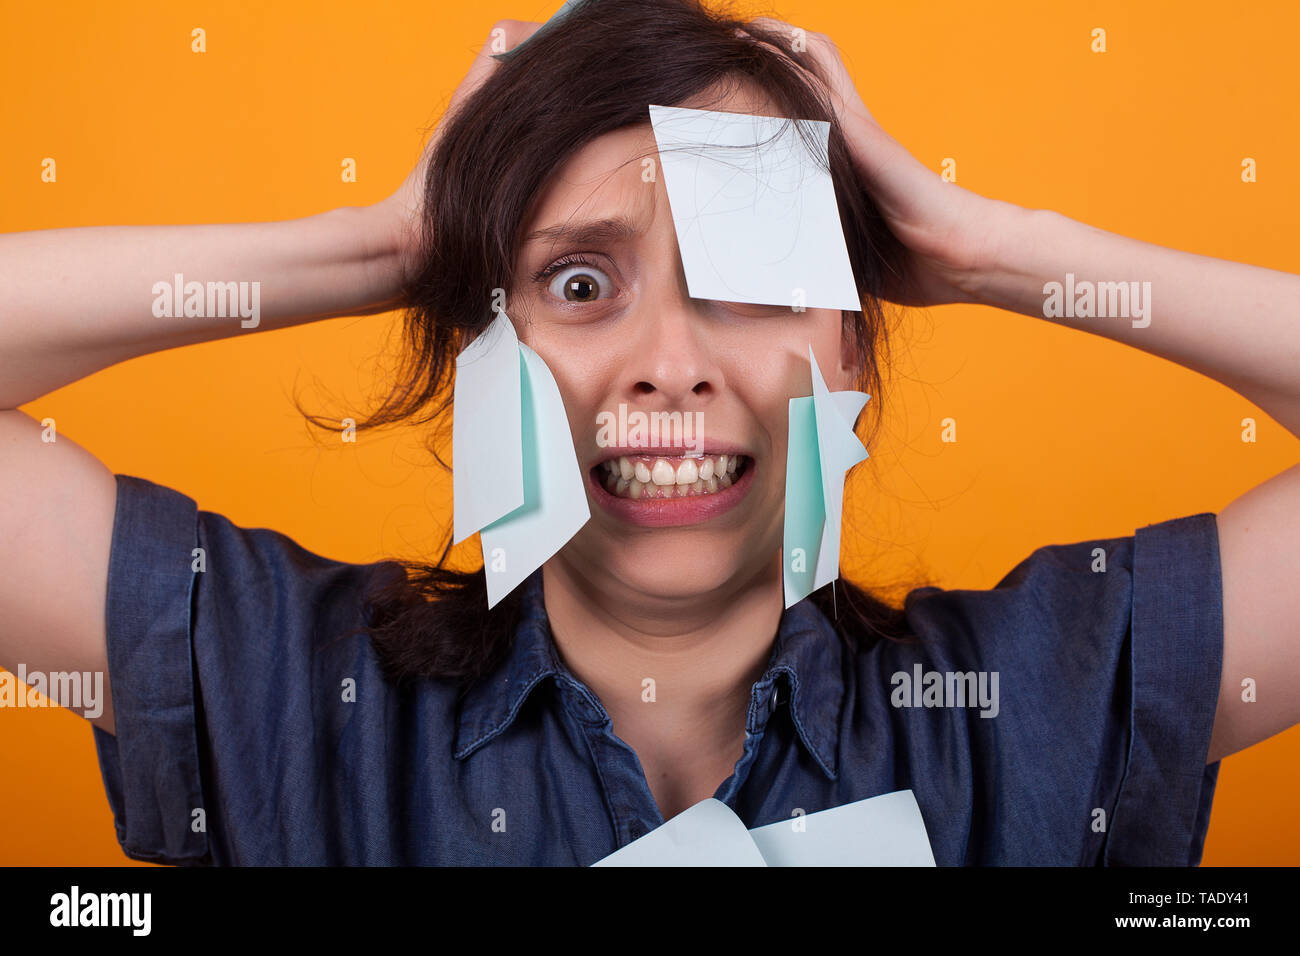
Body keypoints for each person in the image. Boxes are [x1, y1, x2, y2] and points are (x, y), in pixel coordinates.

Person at [1, 0, 1297, 866]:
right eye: (577, 285)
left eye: (752, 284)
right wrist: (393, 241)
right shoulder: (286, 689)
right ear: (486, 352)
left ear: (848, 349)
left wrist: (991, 250)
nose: (669, 366)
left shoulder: (1033, 708)